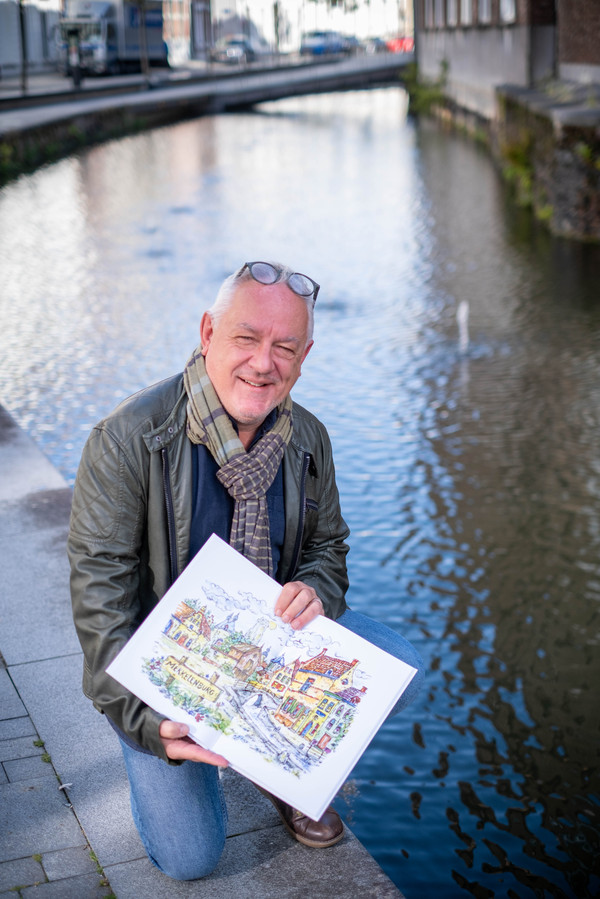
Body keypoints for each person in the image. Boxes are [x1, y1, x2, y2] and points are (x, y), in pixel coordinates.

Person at [68, 260, 424, 881]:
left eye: (285, 347)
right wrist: (141, 719)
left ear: (304, 357)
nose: (264, 363)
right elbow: (101, 601)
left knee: (398, 668)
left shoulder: (308, 438)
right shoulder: (128, 439)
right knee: (189, 859)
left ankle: (284, 770)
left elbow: (329, 547)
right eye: (246, 338)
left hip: (269, 650)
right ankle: (193, 752)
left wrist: (315, 588)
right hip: (168, 669)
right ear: (208, 333)